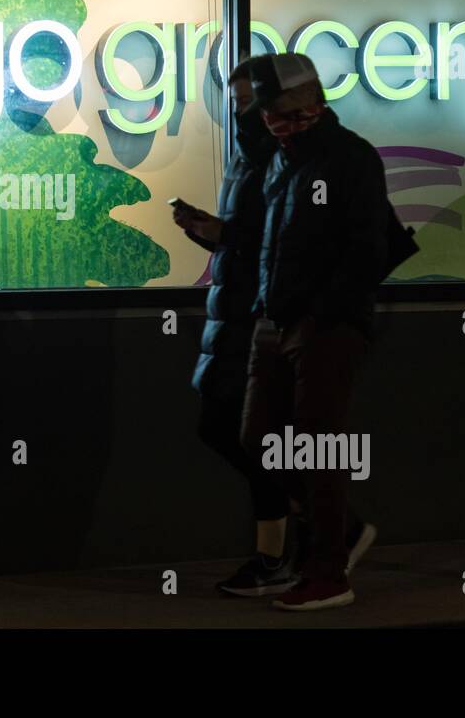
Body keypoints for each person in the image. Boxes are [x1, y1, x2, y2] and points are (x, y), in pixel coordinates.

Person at [238, 52, 388, 611]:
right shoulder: (280, 158)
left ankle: (329, 569)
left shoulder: (349, 159)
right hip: (275, 318)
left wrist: (325, 312)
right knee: (259, 440)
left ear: (313, 106)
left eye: (285, 113)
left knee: (318, 448)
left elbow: (366, 248)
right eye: (270, 114)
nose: (275, 123)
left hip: (325, 325)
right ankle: (342, 532)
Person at [172, 64, 299, 597]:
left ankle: (294, 543)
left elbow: (285, 241)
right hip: (235, 310)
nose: (240, 110)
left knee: (242, 433)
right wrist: (213, 233)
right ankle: (281, 552)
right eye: (234, 100)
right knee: (236, 432)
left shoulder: (280, 156)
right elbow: (251, 239)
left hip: (256, 318)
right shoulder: (247, 159)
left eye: (248, 99)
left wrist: (228, 235)